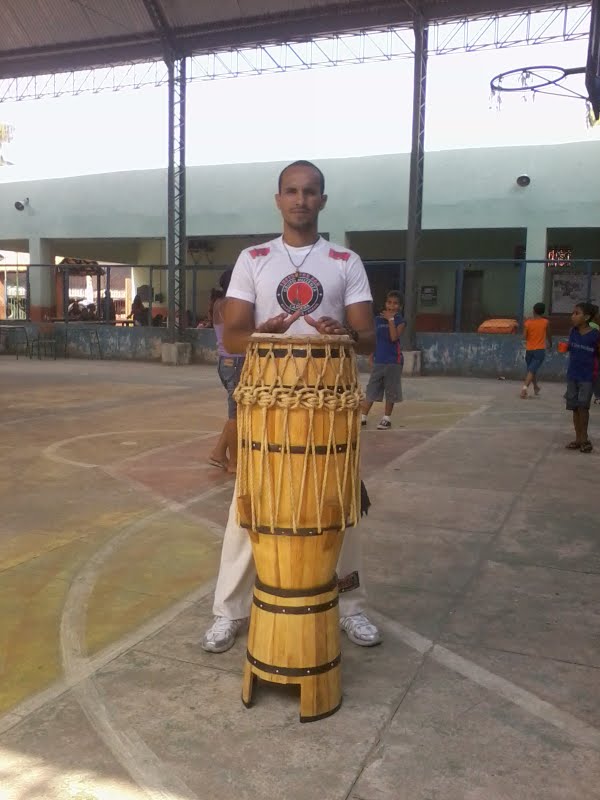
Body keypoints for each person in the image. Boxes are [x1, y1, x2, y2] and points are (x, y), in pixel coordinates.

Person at [202, 159, 382, 654]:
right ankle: (228, 611)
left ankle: (351, 607)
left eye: (310, 191)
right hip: (269, 399)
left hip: (329, 400)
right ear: (278, 199)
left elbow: (367, 338)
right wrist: (264, 333)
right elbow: (234, 336)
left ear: (323, 200)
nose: (301, 199)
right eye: (292, 190)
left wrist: (346, 334)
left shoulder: (345, 261)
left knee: (338, 502)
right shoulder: (254, 258)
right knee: (250, 503)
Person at [208, 269, 244, 474]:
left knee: (236, 411)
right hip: (236, 362)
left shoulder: (219, 303)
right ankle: (234, 462)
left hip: (226, 362)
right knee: (235, 415)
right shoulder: (232, 305)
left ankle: (219, 452)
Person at [360, 290, 406, 429]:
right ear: (385, 303)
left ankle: (386, 418)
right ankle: (363, 416)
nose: (391, 306)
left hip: (393, 361)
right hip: (379, 360)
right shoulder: (377, 320)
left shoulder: (400, 321)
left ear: (400, 307)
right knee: (372, 389)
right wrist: (371, 355)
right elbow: (375, 338)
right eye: (389, 302)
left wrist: (391, 320)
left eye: (395, 303)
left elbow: (394, 337)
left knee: (391, 390)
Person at [563, 302, 600, 453]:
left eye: (576, 313)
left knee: (583, 407)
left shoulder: (595, 335)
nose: (573, 316)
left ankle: (585, 439)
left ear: (586, 317)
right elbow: (571, 347)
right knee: (574, 408)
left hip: (587, 376)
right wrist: (566, 347)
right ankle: (578, 439)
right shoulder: (573, 331)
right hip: (573, 375)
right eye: (573, 313)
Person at [520, 302, 551, 399]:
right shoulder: (545, 322)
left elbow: (524, 337)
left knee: (531, 370)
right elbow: (549, 334)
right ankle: (525, 390)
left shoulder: (528, 323)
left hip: (529, 350)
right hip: (539, 351)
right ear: (543, 312)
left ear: (533, 311)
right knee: (532, 370)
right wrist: (550, 343)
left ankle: (534, 387)